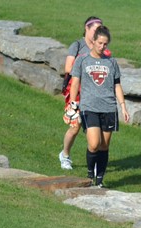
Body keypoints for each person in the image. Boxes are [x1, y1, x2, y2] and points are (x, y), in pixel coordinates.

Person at [67, 25, 130, 188]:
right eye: (100, 43)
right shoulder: (82, 60)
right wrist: (73, 104)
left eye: (105, 44)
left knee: (104, 146)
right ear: (93, 41)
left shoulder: (111, 62)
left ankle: (100, 179)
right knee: (94, 143)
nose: (102, 47)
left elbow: (117, 85)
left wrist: (123, 106)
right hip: (89, 107)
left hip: (109, 108)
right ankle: (90, 173)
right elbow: (75, 83)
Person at [58, 16, 102, 171]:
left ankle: (94, 163)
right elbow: (69, 67)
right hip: (76, 92)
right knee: (75, 127)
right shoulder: (77, 45)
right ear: (86, 28)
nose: (98, 33)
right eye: (95, 29)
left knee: (94, 128)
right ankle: (65, 155)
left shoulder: (100, 47)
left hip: (94, 93)